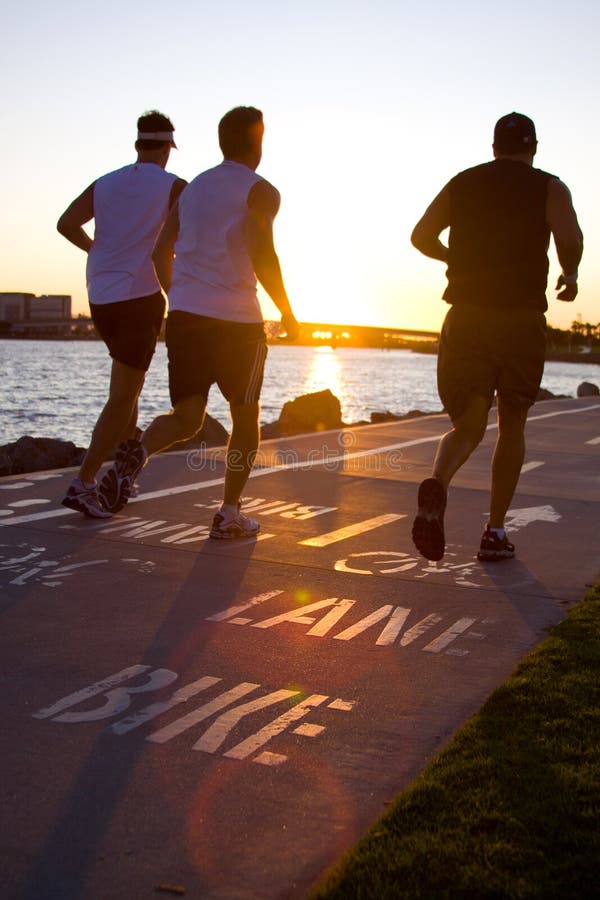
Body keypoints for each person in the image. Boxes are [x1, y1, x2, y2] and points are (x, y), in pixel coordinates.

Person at [98, 106, 300, 539]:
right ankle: (229, 514)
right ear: (257, 142)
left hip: (186, 317)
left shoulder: (193, 189)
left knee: (187, 417)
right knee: (246, 419)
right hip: (237, 324)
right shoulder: (262, 191)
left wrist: (182, 298)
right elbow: (264, 253)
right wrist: (287, 310)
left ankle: (135, 456)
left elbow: (158, 252)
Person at [410, 112, 583, 562]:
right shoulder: (549, 186)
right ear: (534, 148)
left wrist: (455, 257)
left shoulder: (463, 182)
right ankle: (494, 531)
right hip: (519, 321)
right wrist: (569, 272)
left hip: (466, 317)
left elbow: (420, 235)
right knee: (512, 422)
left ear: (493, 148)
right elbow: (570, 238)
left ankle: (438, 484)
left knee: (468, 425)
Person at [57, 111, 187, 518]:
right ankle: (85, 482)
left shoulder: (106, 182)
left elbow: (66, 224)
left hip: (101, 294)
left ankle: (119, 469)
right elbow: (185, 240)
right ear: (167, 148)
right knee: (122, 396)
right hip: (140, 294)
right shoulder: (174, 187)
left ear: (136, 145)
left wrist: (97, 249)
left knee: (128, 390)